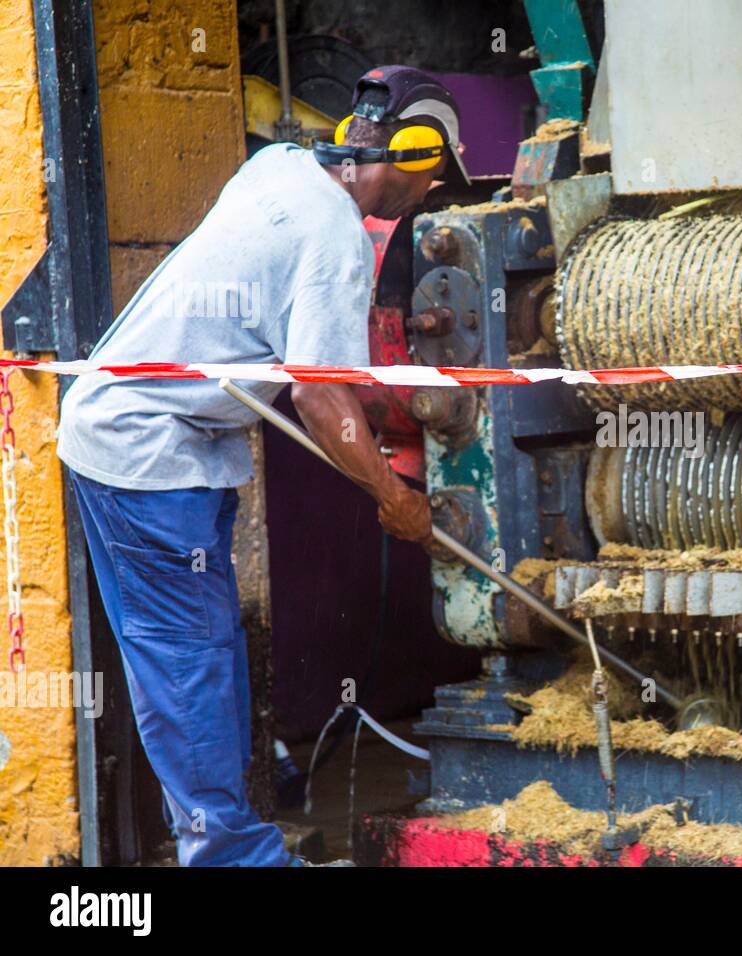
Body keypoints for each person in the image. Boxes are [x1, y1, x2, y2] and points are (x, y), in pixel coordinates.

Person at [55, 66, 472, 867]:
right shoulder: (336, 236)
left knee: (204, 657)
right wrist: (395, 500)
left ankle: (229, 841)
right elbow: (319, 397)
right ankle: (232, 859)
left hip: (159, 439)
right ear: (411, 157)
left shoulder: (277, 164)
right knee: (190, 664)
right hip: (146, 452)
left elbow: (293, 351)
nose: (426, 198)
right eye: (432, 179)